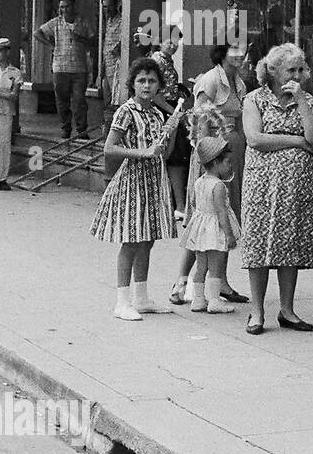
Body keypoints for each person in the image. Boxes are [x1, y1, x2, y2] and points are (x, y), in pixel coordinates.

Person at [91, 57, 185, 320]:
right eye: (141, 80)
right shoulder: (126, 111)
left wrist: (173, 130)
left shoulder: (156, 114)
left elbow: (163, 155)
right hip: (132, 180)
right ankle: (122, 301)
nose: (146, 85)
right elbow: (109, 148)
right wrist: (141, 153)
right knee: (131, 239)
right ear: (132, 84)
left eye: (152, 81)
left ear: (159, 86)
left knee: (148, 238)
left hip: (154, 180)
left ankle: (141, 297)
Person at [240, 43, 313, 334]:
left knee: (291, 243)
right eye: (291, 70)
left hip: (297, 185)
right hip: (263, 183)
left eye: (301, 69)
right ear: (273, 71)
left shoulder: (309, 100)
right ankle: (256, 312)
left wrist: (300, 100)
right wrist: (295, 141)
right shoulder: (255, 99)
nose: (298, 75)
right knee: (260, 242)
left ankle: (287, 310)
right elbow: (255, 139)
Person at [170, 102, 241, 306]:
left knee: (209, 249)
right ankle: (182, 283)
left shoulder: (212, 153)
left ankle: (215, 286)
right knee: (200, 247)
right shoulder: (203, 156)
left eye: (209, 129)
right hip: (204, 208)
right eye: (200, 128)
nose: (203, 132)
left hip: (207, 206)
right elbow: (196, 187)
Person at [182, 136, 242, 314]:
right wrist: (229, 235)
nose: (230, 166)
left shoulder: (199, 181)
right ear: (216, 163)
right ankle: (215, 300)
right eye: (227, 162)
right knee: (215, 267)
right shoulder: (219, 186)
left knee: (201, 266)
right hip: (214, 230)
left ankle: (198, 299)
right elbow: (221, 211)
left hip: (200, 229)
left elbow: (193, 203)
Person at [194, 41, 248, 212]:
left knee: (234, 196)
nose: (240, 53)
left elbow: (240, 120)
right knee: (215, 196)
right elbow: (200, 119)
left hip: (235, 146)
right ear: (222, 51)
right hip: (214, 145)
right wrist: (207, 154)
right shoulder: (210, 78)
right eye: (234, 48)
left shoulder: (239, 83)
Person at [35, 0, 97, 139]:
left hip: (79, 68)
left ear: (73, 6)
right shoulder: (56, 22)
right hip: (60, 67)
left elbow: (93, 41)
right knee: (62, 100)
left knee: (79, 100)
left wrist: (81, 39)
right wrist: (50, 44)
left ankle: (82, 130)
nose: (65, 10)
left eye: (67, 6)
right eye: (62, 7)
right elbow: (37, 33)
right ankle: (66, 128)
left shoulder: (83, 22)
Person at [150, 26, 190, 214]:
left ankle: (174, 204)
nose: (173, 45)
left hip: (170, 108)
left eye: (176, 41)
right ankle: (175, 205)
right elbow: (154, 94)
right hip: (163, 111)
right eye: (169, 40)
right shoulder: (157, 61)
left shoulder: (167, 61)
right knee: (171, 157)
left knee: (175, 157)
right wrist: (173, 113)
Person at [0, 38, 23, 191]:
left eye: (0, 51)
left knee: (4, 144)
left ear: (7, 52)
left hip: (6, 111)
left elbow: (15, 94)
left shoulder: (15, 72)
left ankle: (2, 178)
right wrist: (5, 94)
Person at [98, 0, 124, 130]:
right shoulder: (107, 22)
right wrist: (100, 72)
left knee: (116, 101)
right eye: (104, 7)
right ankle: (107, 130)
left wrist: (117, 49)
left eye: (109, 6)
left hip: (117, 69)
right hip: (107, 69)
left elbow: (123, 42)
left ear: (116, 6)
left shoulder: (122, 21)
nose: (107, 10)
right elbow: (105, 48)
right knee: (107, 101)